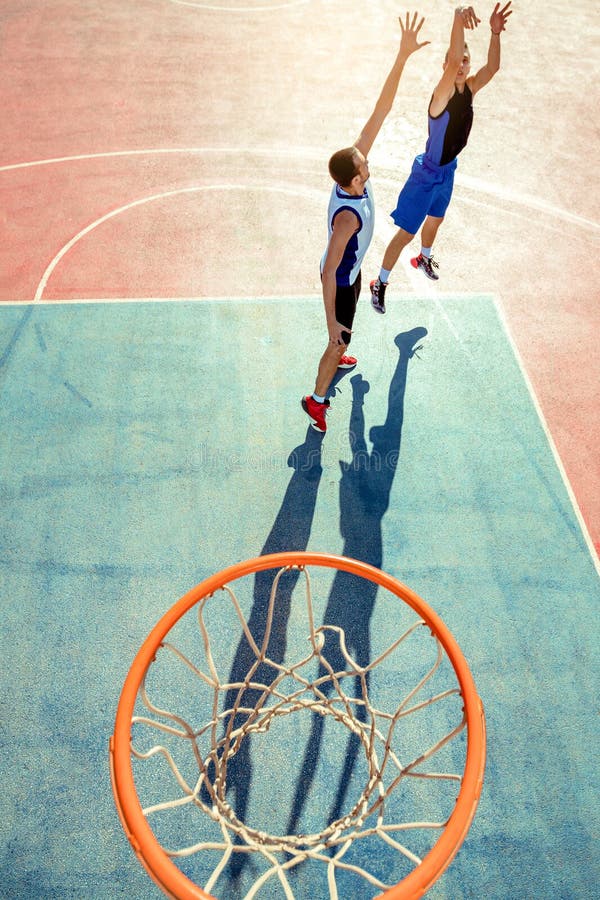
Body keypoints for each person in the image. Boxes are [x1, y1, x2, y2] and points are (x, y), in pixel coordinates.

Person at [302, 11, 429, 433]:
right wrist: (331, 322)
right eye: (364, 163)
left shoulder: (353, 172)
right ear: (354, 178)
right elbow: (327, 276)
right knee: (337, 340)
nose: (367, 158)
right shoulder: (345, 220)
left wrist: (403, 56)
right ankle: (316, 400)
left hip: (351, 274)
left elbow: (382, 108)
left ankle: (342, 343)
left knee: (345, 330)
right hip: (338, 281)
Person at [370, 2, 513, 313]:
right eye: (455, 61)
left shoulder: (471, 88)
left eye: (465, 60)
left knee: (436, 220)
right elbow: (451, 66)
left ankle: (424, 256)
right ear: (446, 64)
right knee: (406, 232)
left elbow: (493, 68)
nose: (461, 65)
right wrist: (457, 17)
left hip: (448, 171)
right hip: (426, 175)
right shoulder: (441, 95)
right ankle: (380, 282)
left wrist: (494, 33)